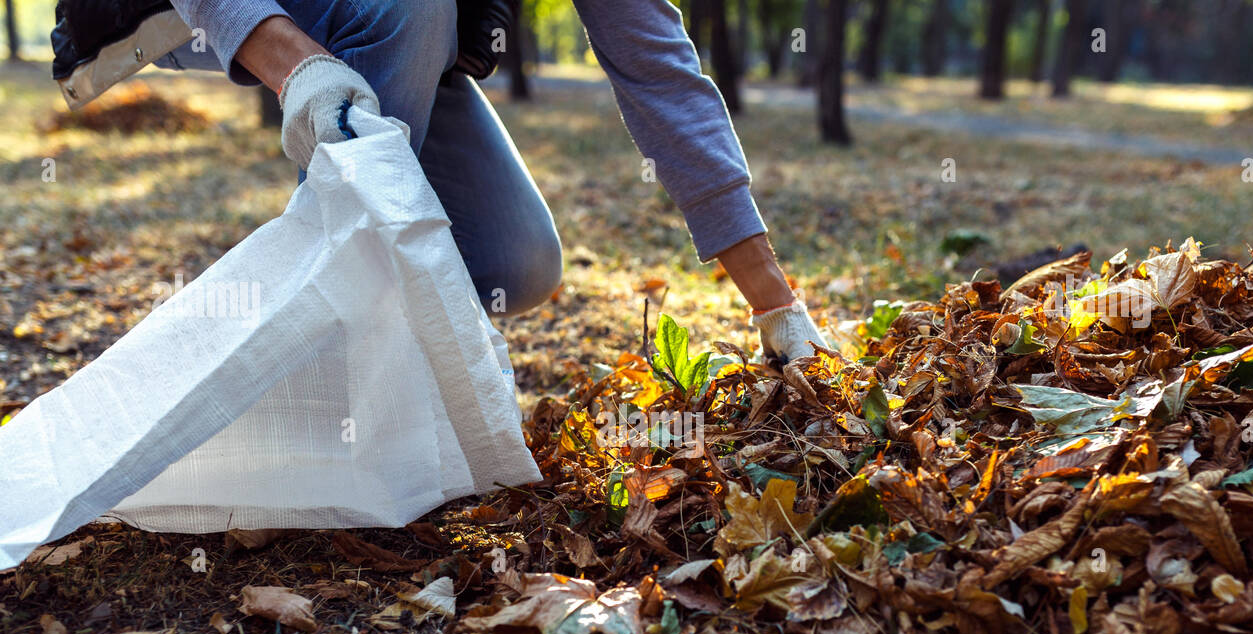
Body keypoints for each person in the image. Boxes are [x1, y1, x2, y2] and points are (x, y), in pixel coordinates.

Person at [54, 0, 827, 364]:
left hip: (392, 21)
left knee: (513, 263)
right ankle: (311, 375)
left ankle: (356, 314)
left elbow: (655, 61)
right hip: (216, 13)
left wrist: (776, 305)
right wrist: (299, 69)